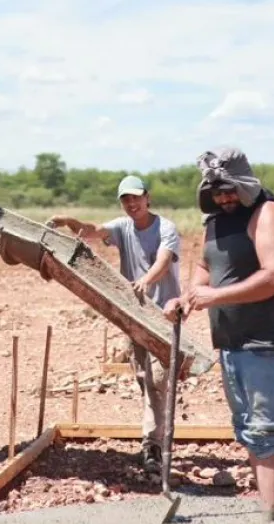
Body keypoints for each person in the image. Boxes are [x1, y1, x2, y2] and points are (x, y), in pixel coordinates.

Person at [163, 147, 274, 521]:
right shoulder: (216, 219)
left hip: (269, 344)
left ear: (245, 184)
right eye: (216, 192)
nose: (224, 198)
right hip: (231, 344)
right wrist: (188, 296)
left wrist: (217, 296)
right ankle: (266, 507)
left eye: (229, 190)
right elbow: (204, 265)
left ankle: (272, 516)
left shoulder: (269, 213)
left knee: (267, 430)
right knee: (247, 428)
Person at [46, 175, 182, 472]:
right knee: (145, 380)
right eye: (125, 199)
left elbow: (163, 260)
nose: (131, 204)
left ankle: (154, 443)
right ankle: (155, 441)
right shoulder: (122, 227)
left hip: (164, 316)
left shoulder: (166, 228)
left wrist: (146, 280)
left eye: (136, 197)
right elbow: (92, 231)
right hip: (133, 315)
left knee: (158, 381)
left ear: (148, 198)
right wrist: (68, 220)